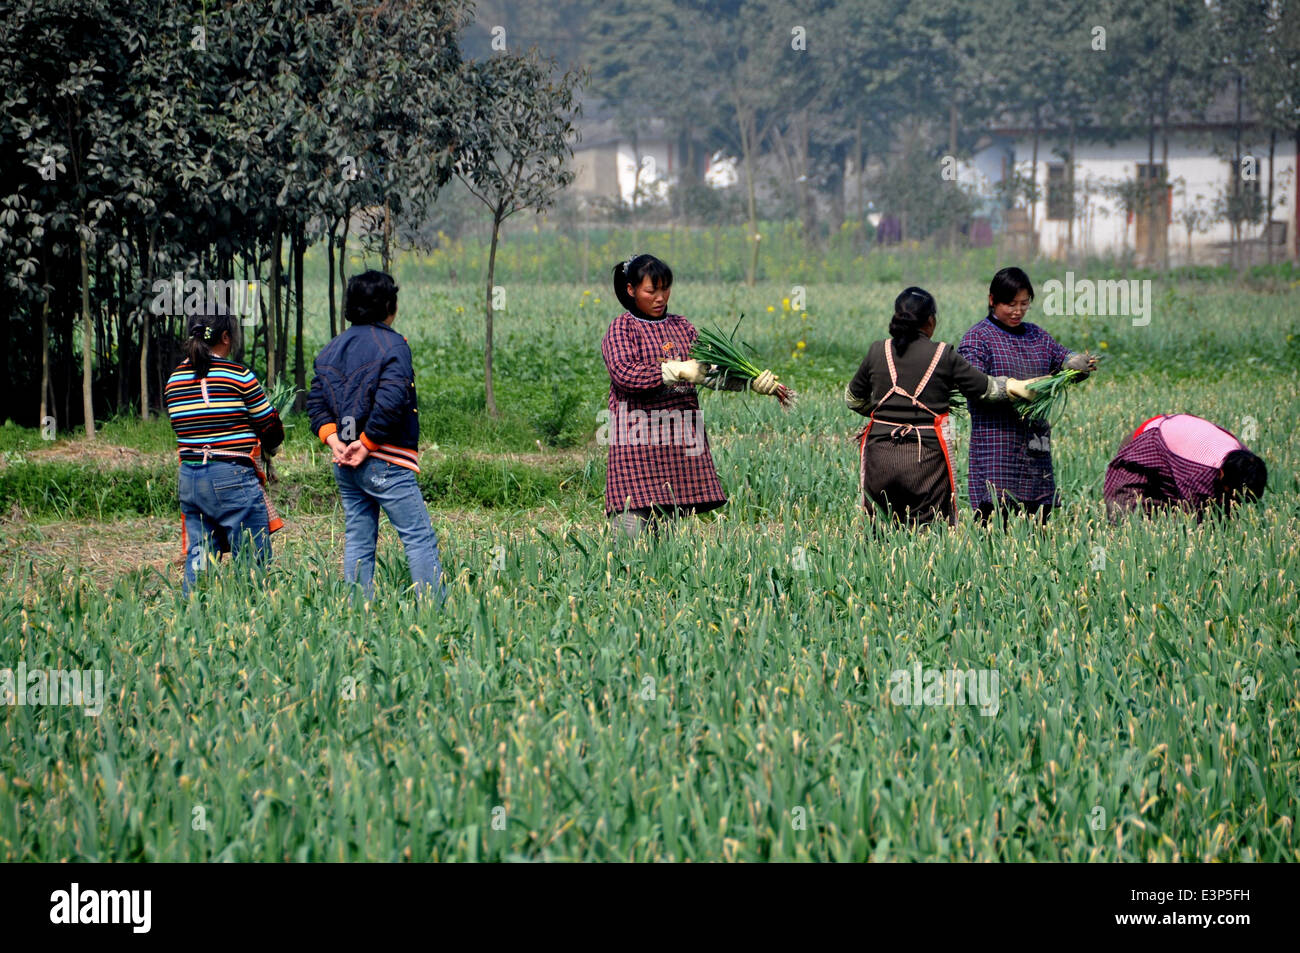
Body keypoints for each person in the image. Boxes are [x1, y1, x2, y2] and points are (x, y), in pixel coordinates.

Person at [601, 253, 782, 539]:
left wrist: (749, 381)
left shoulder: (681, 327)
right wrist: (676, 370)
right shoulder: (622, 328)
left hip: (676, 443)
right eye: (651, 290)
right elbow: (625, 374)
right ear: (631, 290)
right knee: (631, 534)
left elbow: (708, 371)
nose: (660, 297)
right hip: (637, 445)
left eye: (665, 289)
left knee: (666, 537)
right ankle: (622, 581)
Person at [307, 270, 445, 600]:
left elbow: (316, 401)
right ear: (389, 306)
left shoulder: (330, 350)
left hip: (345, 464)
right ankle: (435, 614)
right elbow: (391, 401)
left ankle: (359, 614)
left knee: (358, 537)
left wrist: (335, 441)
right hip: (386, 461)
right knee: (418, 537)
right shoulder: (394, 345)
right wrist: (367, 444)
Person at [846, 287, 1035, 526]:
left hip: (879, 458)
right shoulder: (942, 355)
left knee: (879, 533)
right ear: (930, 321)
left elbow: (852, 398)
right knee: (928, 535)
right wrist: (1025, 385)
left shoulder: (877, 350)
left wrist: (884, 415)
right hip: (924, 462)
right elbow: (988, 390)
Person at [958, 266, 1096, 525]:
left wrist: (1076, 364)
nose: (1018, 311)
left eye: (1024, 304)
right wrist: (1014, 388)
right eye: (1010, 304)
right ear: (992, 300)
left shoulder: (1037, 336)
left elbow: (1061, 356)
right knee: (995, 522)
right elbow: (974, 384)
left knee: (1037, 526)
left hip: (1034, 446)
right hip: (996, 445)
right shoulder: (978, 339)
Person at [164, 311, 284, 594]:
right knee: (252, 556)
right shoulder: (237, 375)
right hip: (232, 477)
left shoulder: (174, 381)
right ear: (226, 337)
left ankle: (192, 616)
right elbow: (270, 427)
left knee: (200, 555)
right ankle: (251, 617)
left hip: (191, 479)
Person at [1103, 414, 1266, 520]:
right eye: (1233, 495)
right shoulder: (1201, 472)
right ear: (1221, 474)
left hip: (1178, 447)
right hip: (1148, 438)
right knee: (1126, 515)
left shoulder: (1246, 461)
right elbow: (1195, 520)